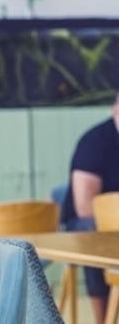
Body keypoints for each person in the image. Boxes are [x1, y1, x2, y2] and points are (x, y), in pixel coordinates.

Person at [61, 90, 119, 323]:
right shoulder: (94, 142)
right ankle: (103, 318)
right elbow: (84, 208)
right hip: (86, 224)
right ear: (116, 109)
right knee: (94, 234)